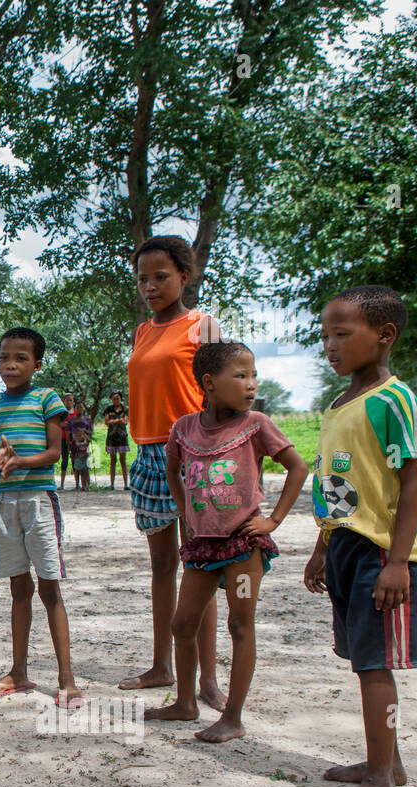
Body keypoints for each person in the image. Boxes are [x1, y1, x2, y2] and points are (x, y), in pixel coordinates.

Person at [303, 286, 417, 787]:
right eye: (325, 335)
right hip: (346, 548)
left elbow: (413, 481)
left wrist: (398, 561)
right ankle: (388, 761)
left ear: (384, 336)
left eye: (341, 334)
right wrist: (321, 546)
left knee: (374, 665)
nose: (329, 346)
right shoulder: (338, 404)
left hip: (382, 554)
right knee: (362, 658)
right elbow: (334, 485)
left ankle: (381, 785)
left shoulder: (393, 401)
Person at [145, 341, 307, 741]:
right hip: (204, 545)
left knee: (239, 624)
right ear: (209, 382)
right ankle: (185, 703)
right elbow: (172, 469)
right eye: (241, 375)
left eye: (254, 375)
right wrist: (185, 510)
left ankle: (232, 717)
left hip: (242, 546)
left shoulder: (256, 425)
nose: (251, 384)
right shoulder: (184, 428)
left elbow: (298, 468)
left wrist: (273, 519)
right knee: (183, 625)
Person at [119, 235, 225, 709]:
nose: (150, 286)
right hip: (147, 454)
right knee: (162, 566)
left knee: (200, 567)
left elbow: (225, 390)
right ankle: (161, 665)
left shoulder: (203, 325)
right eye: (142, 278)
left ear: (185, 275)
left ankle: (207, 679)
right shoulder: (143, 331)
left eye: (160, 276)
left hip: (195, 452)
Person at [0, 328, 78, 704]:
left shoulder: (46, 399)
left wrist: (21, 462)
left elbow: (53, 452)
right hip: (5, 504)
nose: (11, 365)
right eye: (4, 357)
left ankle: (66, 678)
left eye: (20, 358)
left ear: (37, 364)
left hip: (38, 502)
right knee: (19, 589)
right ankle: (19, 672)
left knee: (49, 588)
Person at [104, 390, 130, 490]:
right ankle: (112, 484)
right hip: (111, 437)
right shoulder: (108, 409)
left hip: (122, 437)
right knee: (113, 461)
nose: (116, 400)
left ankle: (126, 484)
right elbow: (106, 422)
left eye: (117, 398)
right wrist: (118, 420)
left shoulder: (125, 409)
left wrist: (113, 421)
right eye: (114, 398)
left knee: (123, 461)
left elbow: (125, 422)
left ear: (120, 399)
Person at [66, 402, 92, 490]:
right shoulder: (71, 420)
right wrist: (68, 443)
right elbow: (68, 432)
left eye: (81, 407)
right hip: (74, 445)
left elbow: (91, 432)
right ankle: (77, 484)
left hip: (85, 445)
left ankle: (87, 485)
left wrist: (84, 433)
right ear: (75, 409)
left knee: (85, 467)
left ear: (83, 408)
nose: (79, 409)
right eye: (77, 407)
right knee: (76, 466)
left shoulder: (87, 419)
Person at [57, 393, 76, 491]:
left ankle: (77, 484)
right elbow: (57, 424)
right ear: (63, 401)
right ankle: (62, 484)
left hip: (74, 439)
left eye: (71, 400)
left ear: (73, 401)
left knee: (74, 460)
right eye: (67, 400)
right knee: (64, 460)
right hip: (63, 438)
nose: (69, 402)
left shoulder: (76, 412)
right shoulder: (61, 412)